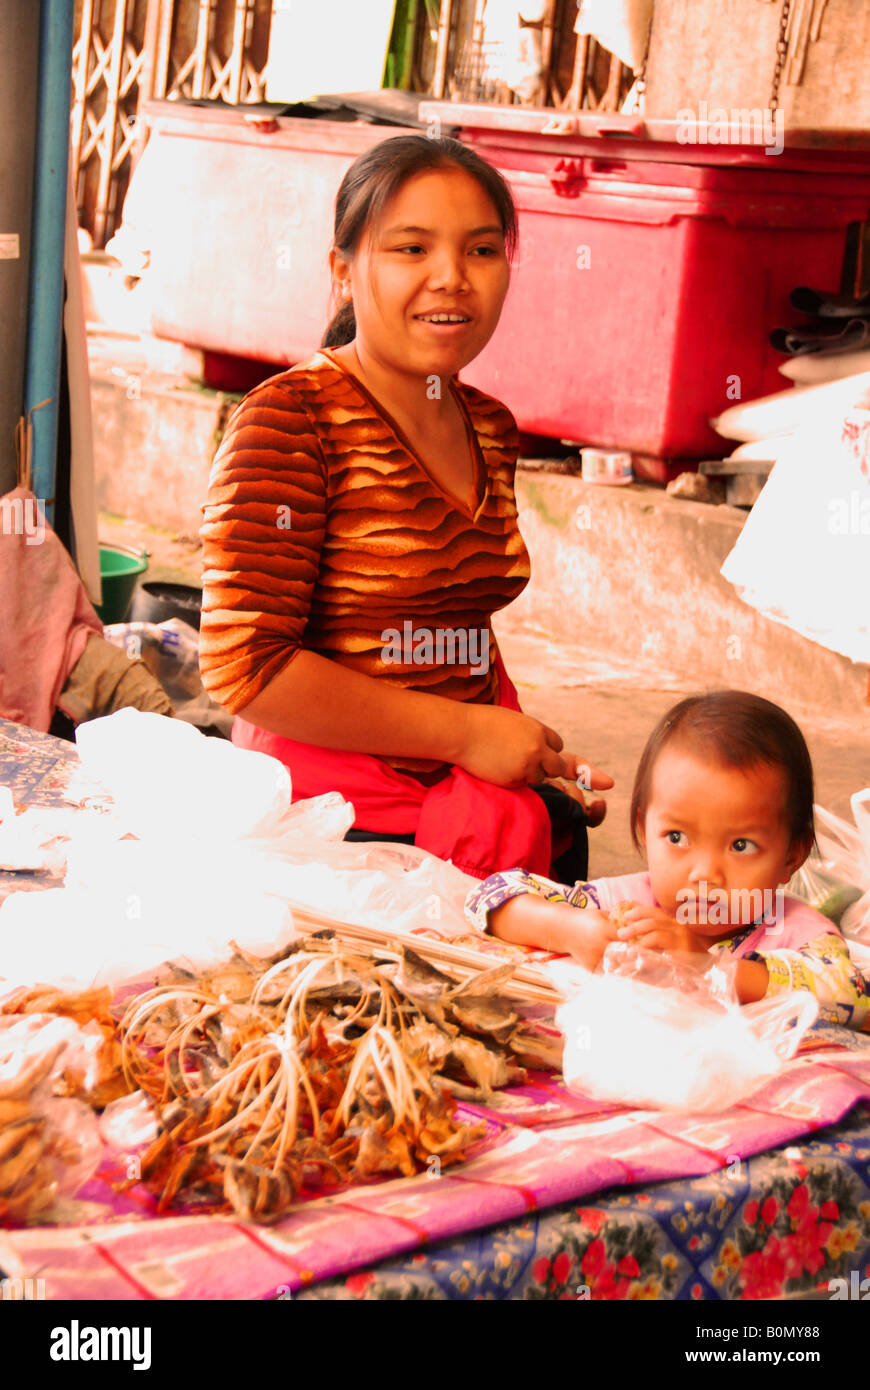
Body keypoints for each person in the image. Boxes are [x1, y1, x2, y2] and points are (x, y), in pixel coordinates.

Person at [199, 134, 612, 881]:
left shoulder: (490, 425)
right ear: (345, 272)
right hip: (329, 829)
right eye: (411, 249)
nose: (451, 278)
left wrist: (524, 749)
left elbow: (458, 619)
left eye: (482, 251)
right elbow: (245, 667)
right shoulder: (290, 422)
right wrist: (463, 734)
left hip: (455, 795)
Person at [465, 690, 870, 1028]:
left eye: (741, 846)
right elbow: (489, 896)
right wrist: (570, 928)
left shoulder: (793, 931)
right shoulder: (626, 907)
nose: (704, 873)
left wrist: (703, 966)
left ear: (792, 855)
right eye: (677, 837)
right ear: (644, 831)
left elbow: (852, 995)